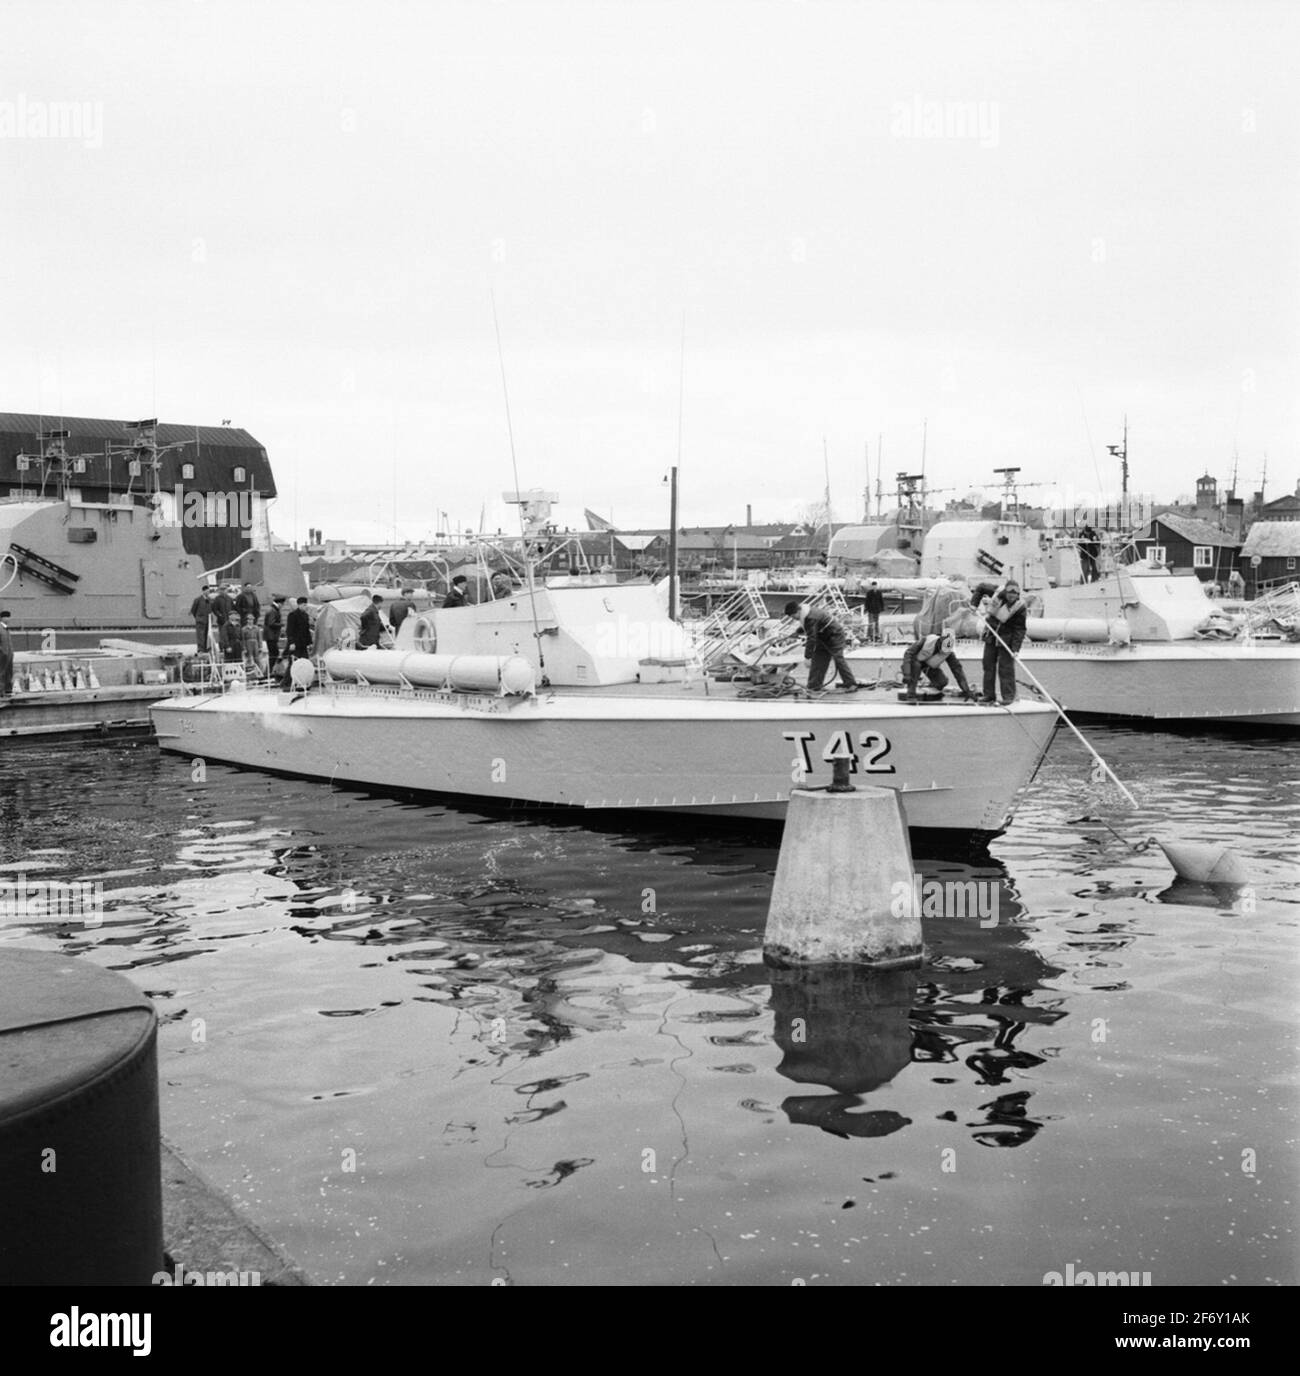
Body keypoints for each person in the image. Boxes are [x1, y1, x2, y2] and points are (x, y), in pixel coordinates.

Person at [784, 600, 859, 693]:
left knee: (838, 659)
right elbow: (807, 627)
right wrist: (795, 633)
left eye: (793, 616)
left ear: (798, 611)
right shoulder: (806, 613)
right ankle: (814, 686)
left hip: (835, 636)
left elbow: (811, 638)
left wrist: (807, 657)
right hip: (824, 637)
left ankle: (851, 684)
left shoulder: (810, 617)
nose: (793, 618)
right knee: (818, 659)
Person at [980, 583, 1029, 705]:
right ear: (1005, 593)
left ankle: (1008, 697)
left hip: (1006, 640)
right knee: (988, 665)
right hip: (991, 636)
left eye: (1015, 595)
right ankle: (988, 695)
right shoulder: (998, 597)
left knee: (1005, 669)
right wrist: (974, 603)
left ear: (1018, 595)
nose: (1012, 597)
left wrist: (1016, 649)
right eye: (1009, 594)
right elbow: (980, 588)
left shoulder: (1020, 608)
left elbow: (1020, 629)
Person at [900, 629, 974, 701]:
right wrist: (907, 674)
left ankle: (930, 685)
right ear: (940, 640)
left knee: (942, 682)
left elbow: (957, 670)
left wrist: (966, 690)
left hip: (928, 666)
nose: (944, 650)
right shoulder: (927, 640)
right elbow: (908, 653)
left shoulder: (948, 652)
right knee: (916, 666)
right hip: (915, 662)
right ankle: (911, 694)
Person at [189, 585, 213, 653]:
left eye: (209, 591)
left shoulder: (209, 600)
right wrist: (198, 617)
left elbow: (210, 609)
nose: (208, 592)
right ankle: (200, 649)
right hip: (200, 620)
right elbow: (193, 610)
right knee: (200, 635)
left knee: (207, 635)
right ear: (204, 591)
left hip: (208, 620)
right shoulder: (198, 600)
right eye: (207, 591)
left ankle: (206, 648)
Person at [263, 596, 285, 663]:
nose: (282, 606)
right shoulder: (273, 611)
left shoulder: (273, 610)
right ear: (279, 603)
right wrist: (281, 624)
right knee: (274, 653)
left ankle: (270, 670)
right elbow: (271, 623)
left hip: (271, 636)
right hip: (271, 636)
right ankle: (270, 670)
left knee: (274, 653)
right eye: (282, 604)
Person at [0, 610, 13, 698]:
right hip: (2, 655)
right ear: (2, 618)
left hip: (8, 654)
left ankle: (8, 690)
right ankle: (1, 691)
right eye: (6, 617)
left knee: (8, 672)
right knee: (1, 672)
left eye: (9, 617)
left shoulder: (6, 629)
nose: (8, 619)